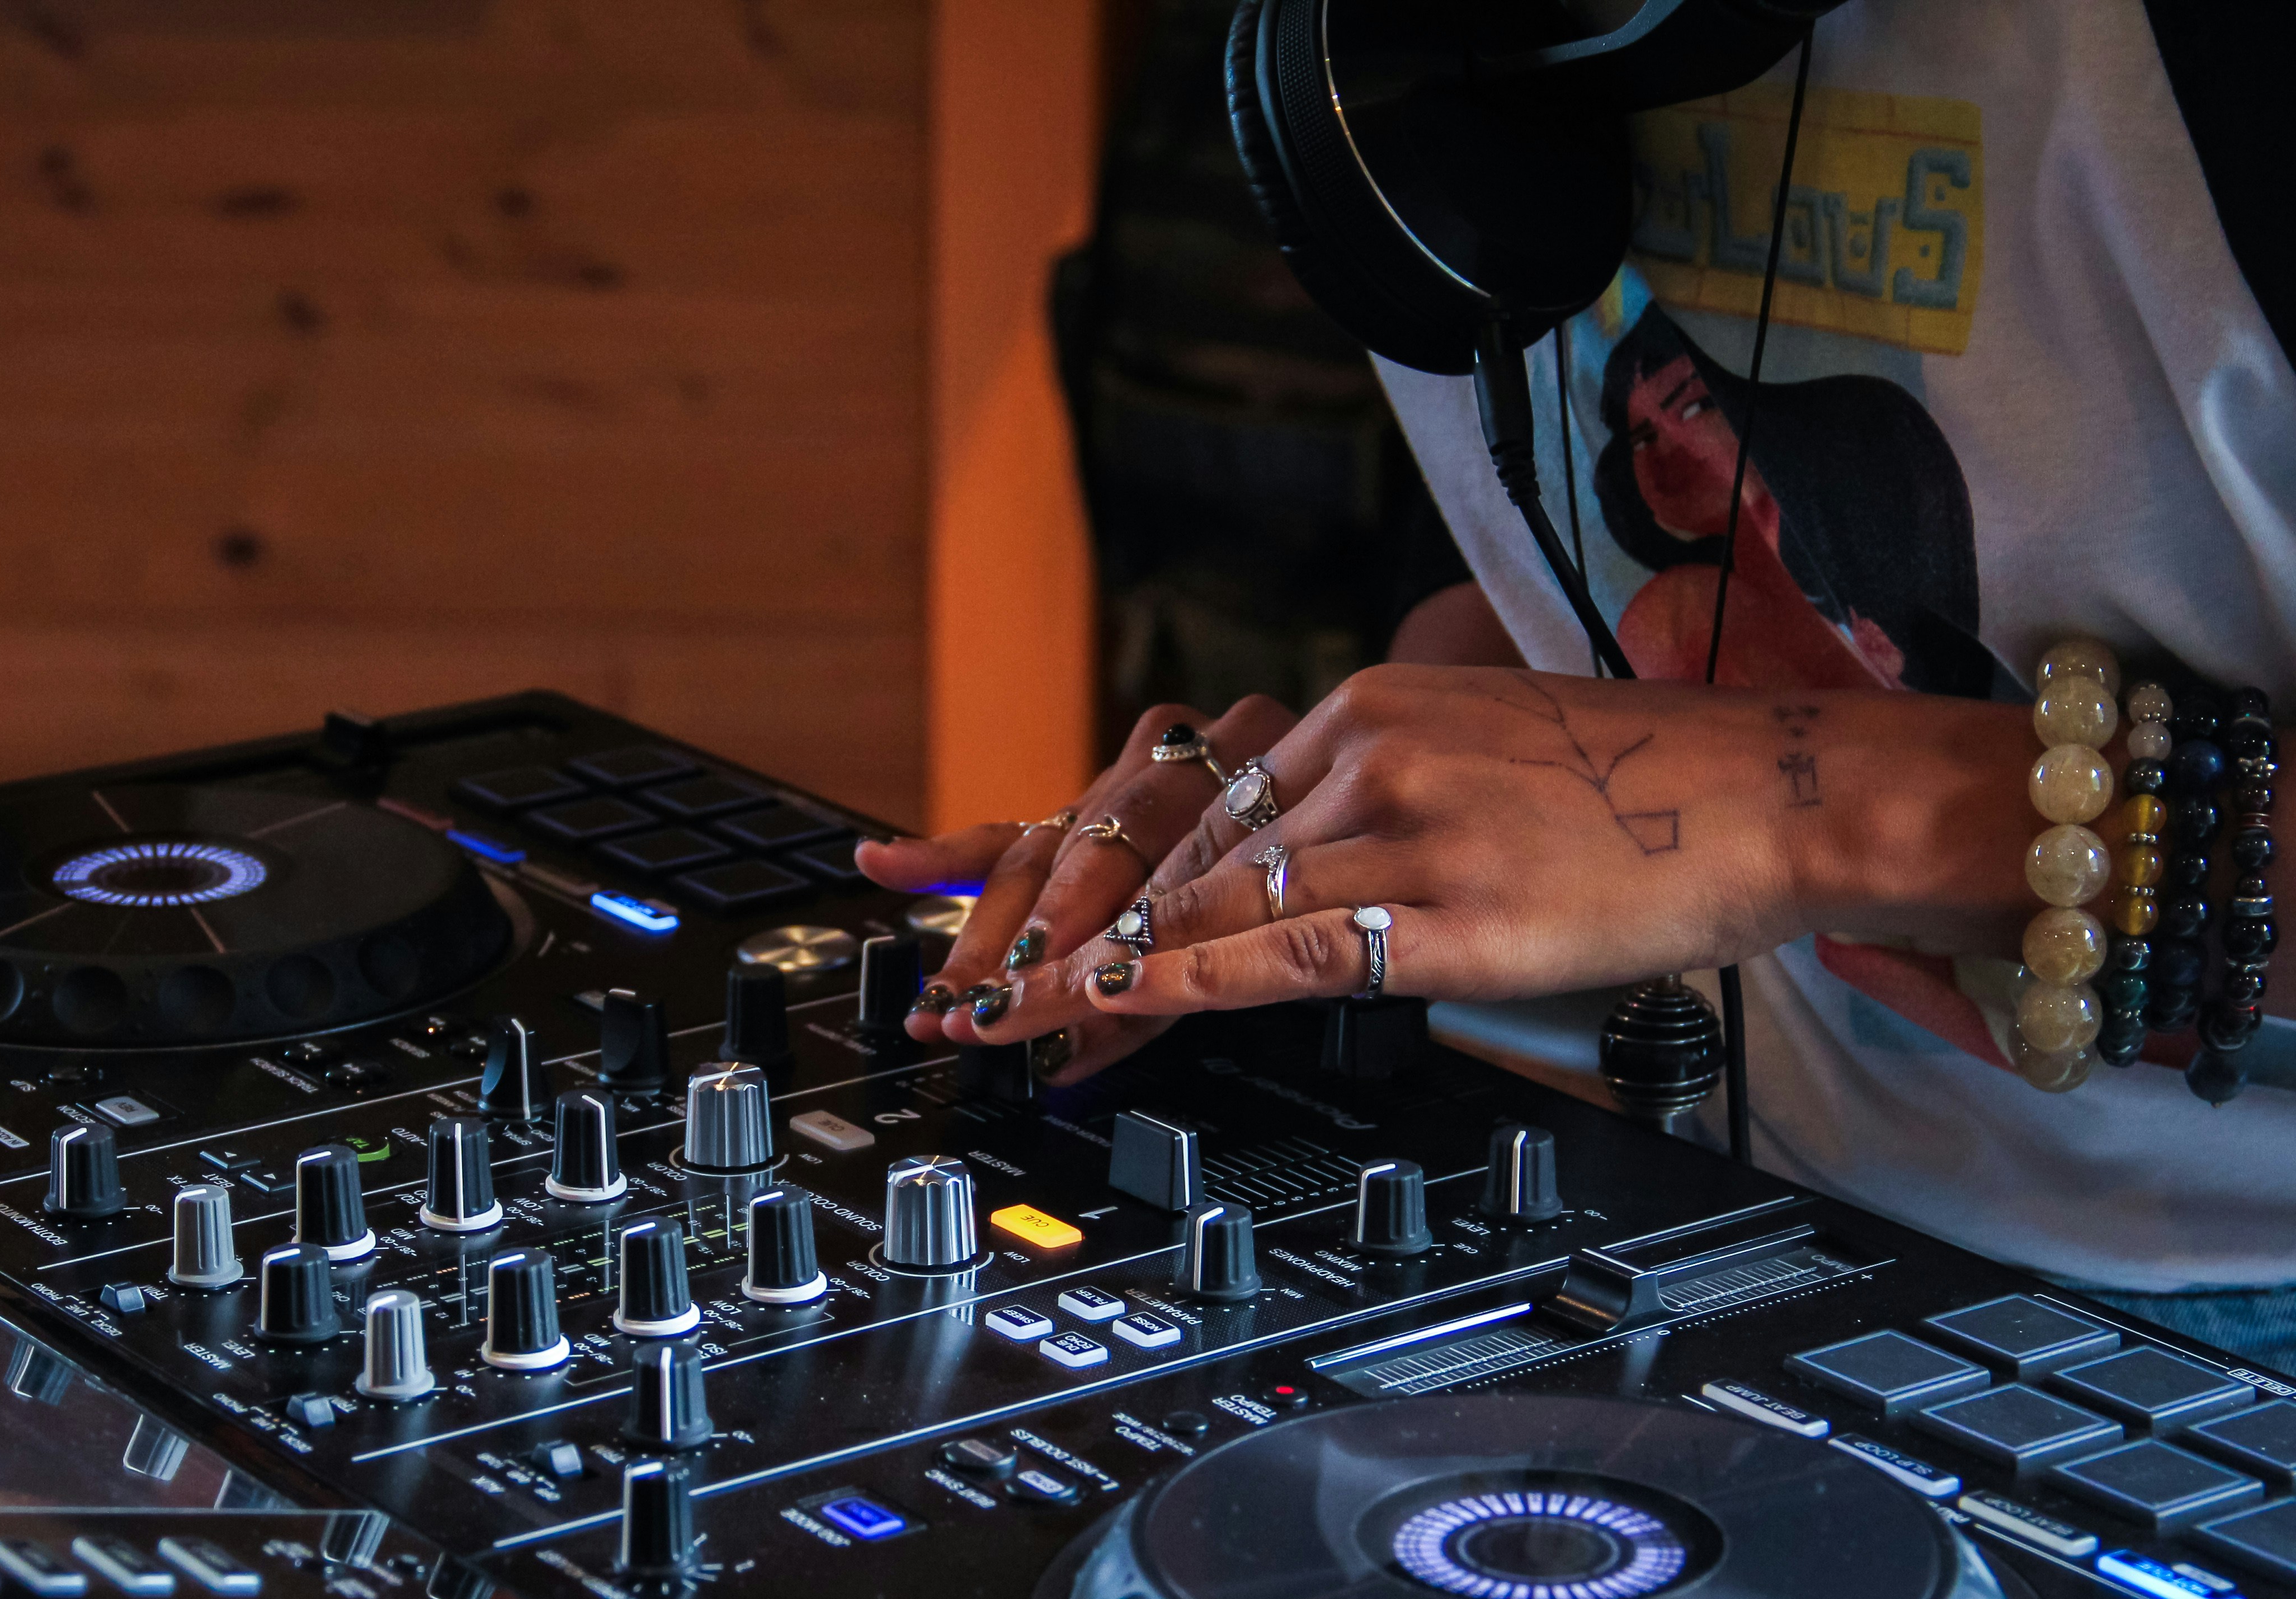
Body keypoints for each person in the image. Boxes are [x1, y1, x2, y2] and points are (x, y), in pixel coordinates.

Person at [857, 0, 2294, 1324]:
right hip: (1677, 1183)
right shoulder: (1406, 61)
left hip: (2223, 1288)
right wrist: (1331, 824)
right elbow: (1517, 557)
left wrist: (1824, 806)